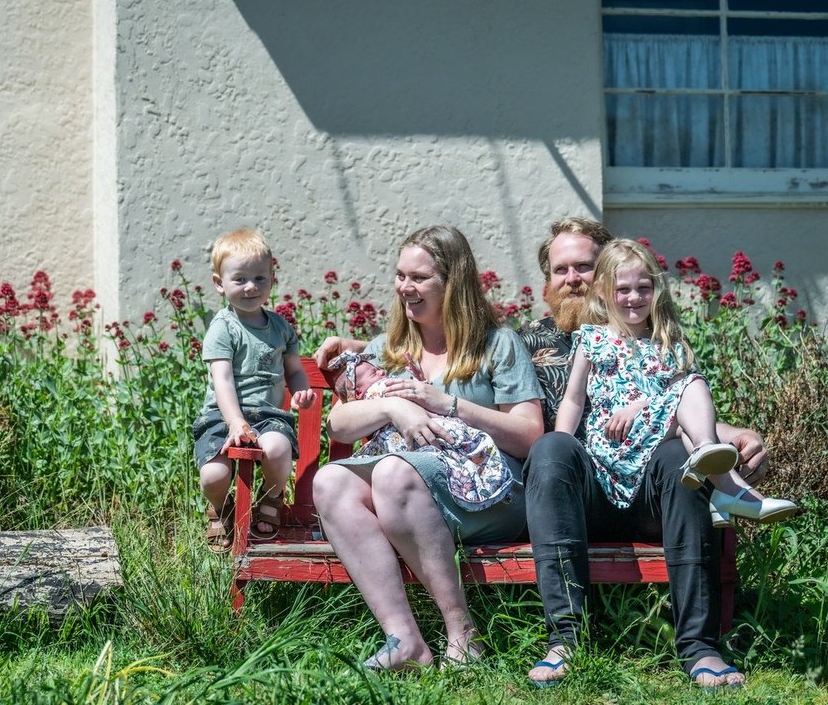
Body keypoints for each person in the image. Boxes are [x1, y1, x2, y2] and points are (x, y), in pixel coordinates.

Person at [522, 217, 770, 689]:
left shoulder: (660, 339)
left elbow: (682, 395)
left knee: (681, 459)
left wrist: (735, 433)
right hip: (576, 488)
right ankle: (564, 640)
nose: (574, 278)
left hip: (652, 482)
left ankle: (699, 647)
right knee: (552, 445)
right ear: (547, 281)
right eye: (562, 269)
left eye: (585, 267)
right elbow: (530, 413)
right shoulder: (522, 343)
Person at [311, 226, 544, 671]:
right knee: (331, 480)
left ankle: (463, 636)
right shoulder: (390, 347)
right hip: (409, 489)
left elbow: (529, 434)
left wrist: (449, 404)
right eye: (400, 276)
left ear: (452, 282)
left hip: (492, 490)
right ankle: (405, 641)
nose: (405, 287)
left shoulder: (497, 344)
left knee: (393, 472)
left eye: (418, 277)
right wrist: (397, 407)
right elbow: (338, 424)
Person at [554, 238, 797, 527]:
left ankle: (718, 473)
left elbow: (687, 406)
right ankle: (726, 480)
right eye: (623, 289)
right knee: (690, 388)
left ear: (656, 289)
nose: (635, 297)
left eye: (644, 287)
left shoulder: (668, 342)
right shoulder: (594, 339)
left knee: (692, 390)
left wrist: (643, 407)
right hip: (615, 443)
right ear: (603, 293)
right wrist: (563, 445)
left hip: (656, 445)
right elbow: (574, 399)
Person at [192, 228, 317, 552]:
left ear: (272, 279)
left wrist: (301, 391)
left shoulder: (280, 327)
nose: (251, 287)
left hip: (268, 416)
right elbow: (223, 380)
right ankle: (220, 506)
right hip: (222, 417)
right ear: (220, 283)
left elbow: (294, 370)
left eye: (260, 278)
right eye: (240, 279)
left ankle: (270, 496)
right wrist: (234, 422)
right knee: (213, 475)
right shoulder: (223, 327)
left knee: (277, 449)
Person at [325, 350, 513, 510]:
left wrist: (419, 383)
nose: (382, 373)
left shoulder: (380, 385)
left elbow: (418, 397)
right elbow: (337, 422)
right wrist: (394, 405)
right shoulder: (377, 391)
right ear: (358, 393)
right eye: (374, 373)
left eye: (379, 370)